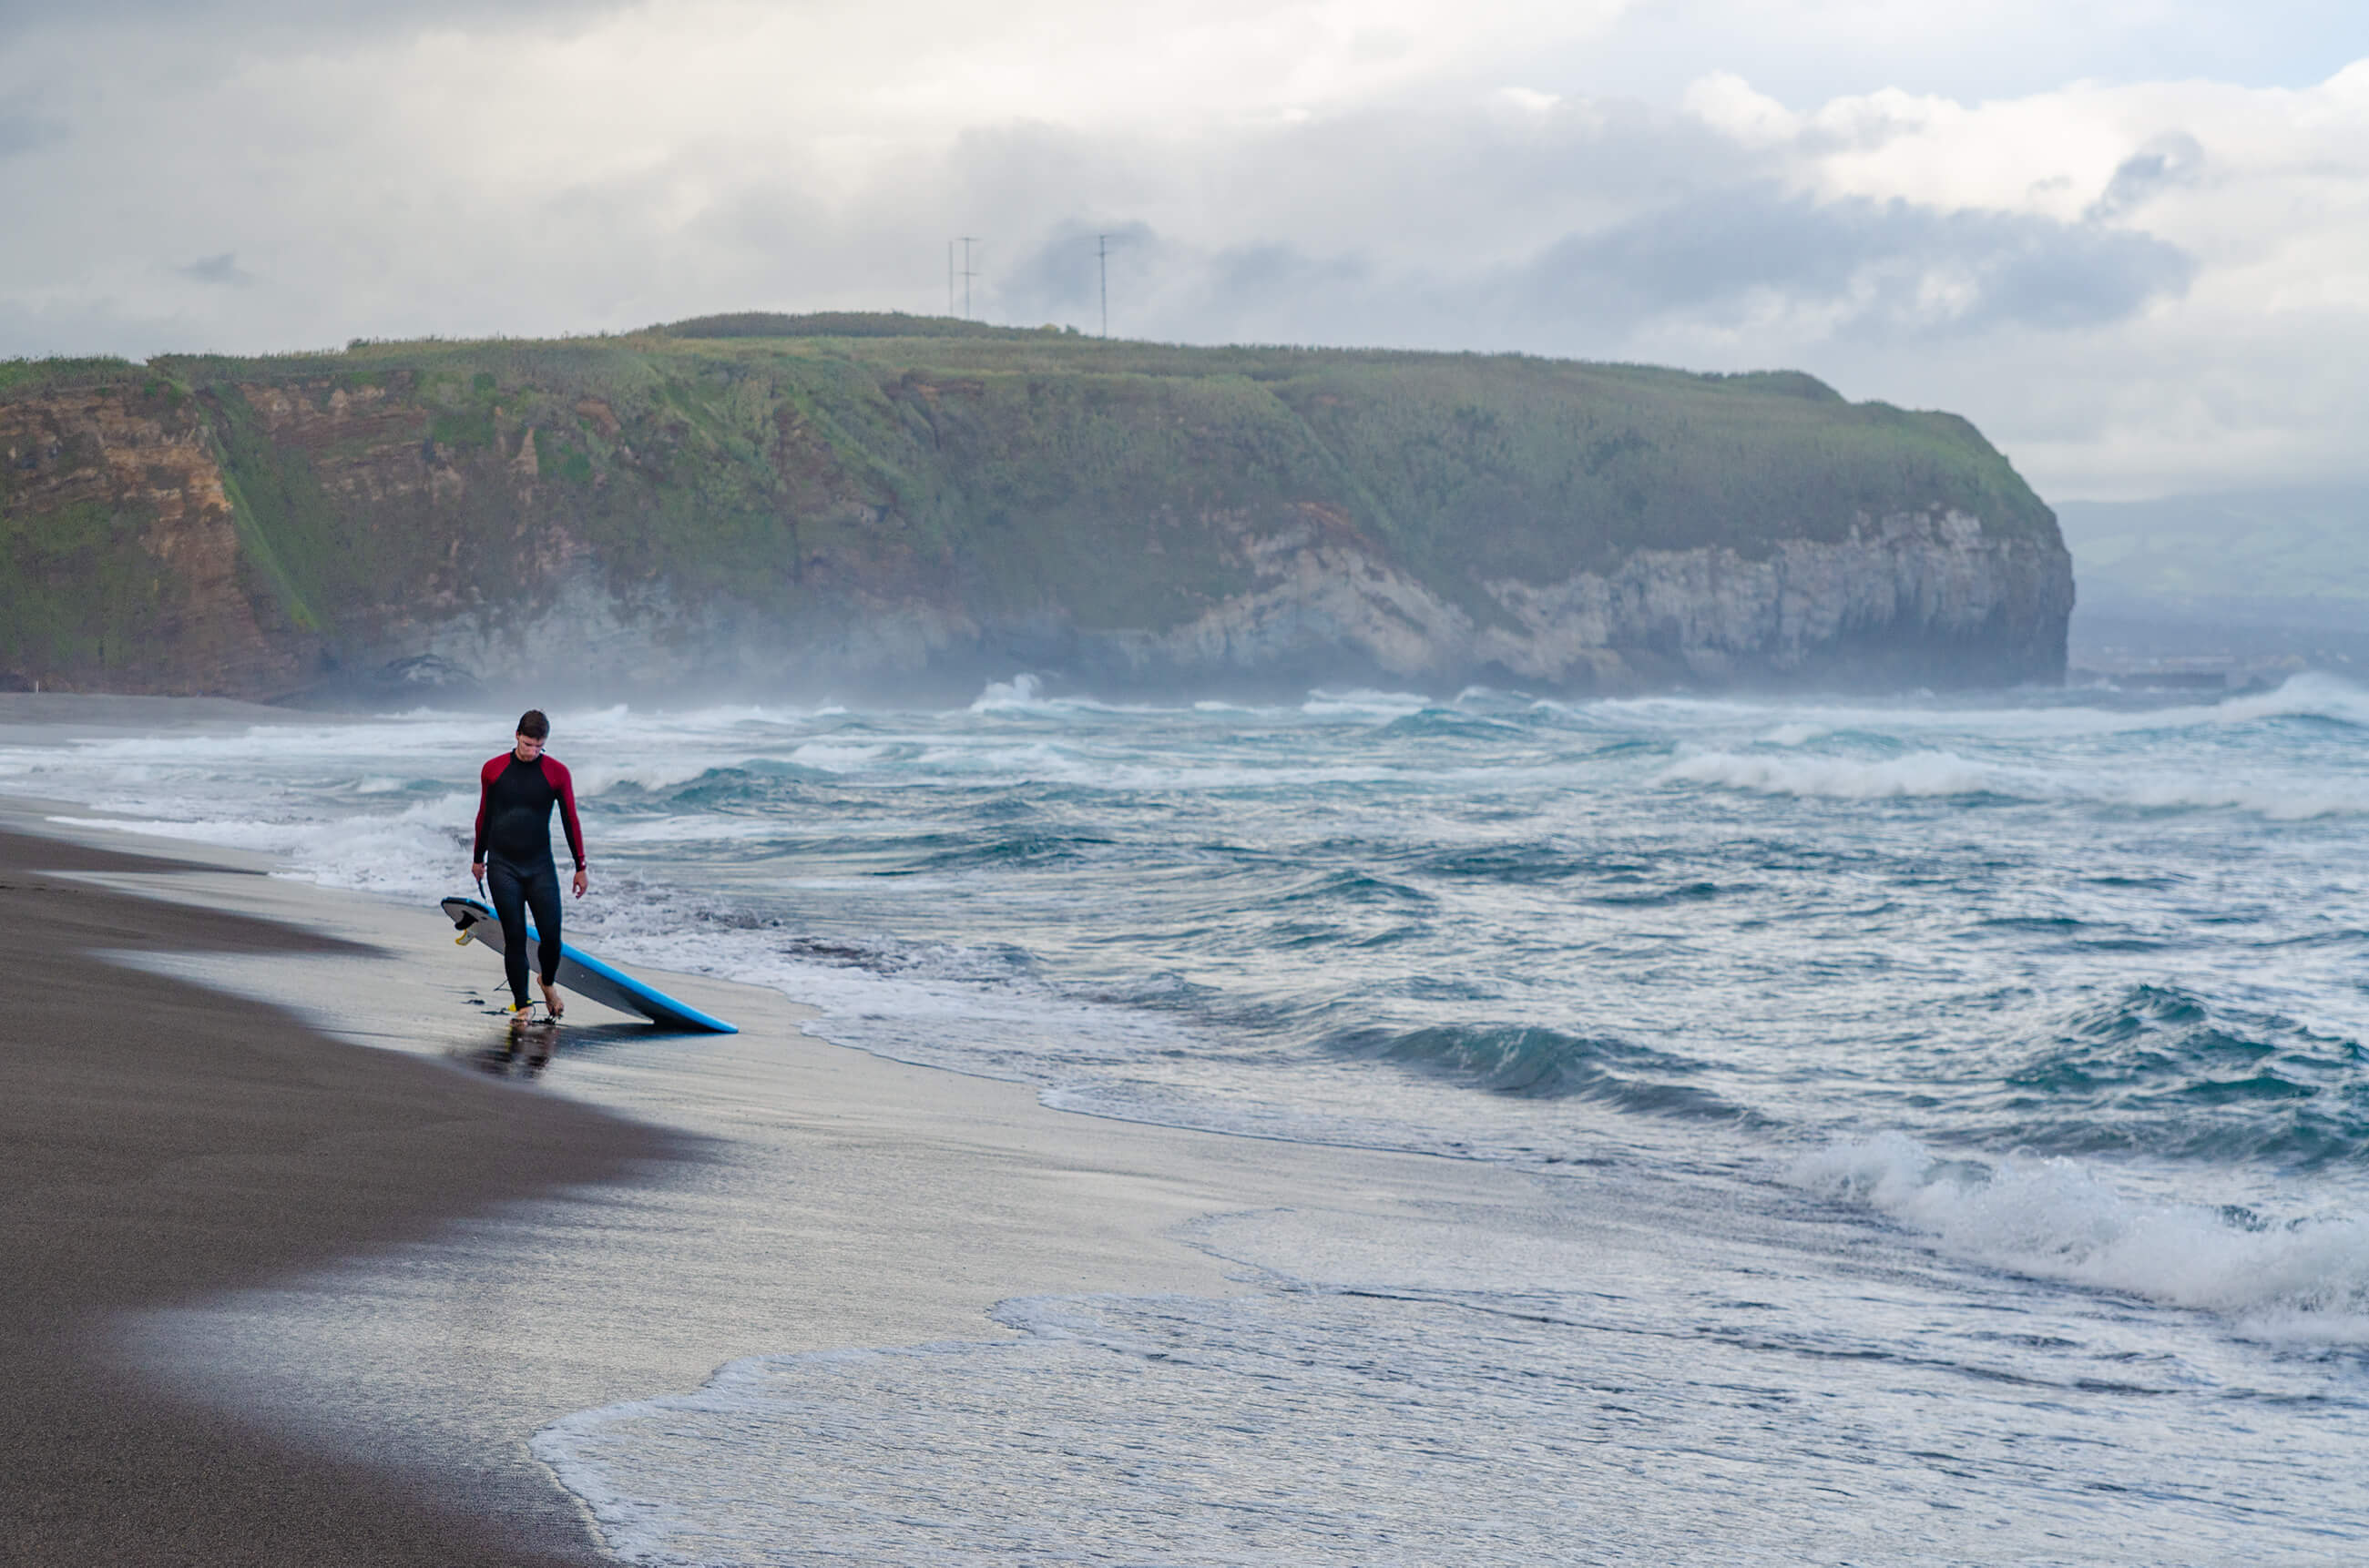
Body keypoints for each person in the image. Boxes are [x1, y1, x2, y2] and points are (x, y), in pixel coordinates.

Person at [470, 709, 587, 1019]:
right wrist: (477, 858)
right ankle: (522, 1005)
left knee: (552, 937)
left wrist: (580, 865)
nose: (533, 752)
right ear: (516, 736)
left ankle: (546, 982)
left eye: (539, 747)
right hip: (503, 865)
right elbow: (485, 816)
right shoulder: (493, 770)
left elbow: (570, 819)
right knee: (516, 936)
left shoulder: (557, 773)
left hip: (539, 866)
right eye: (527, 745)